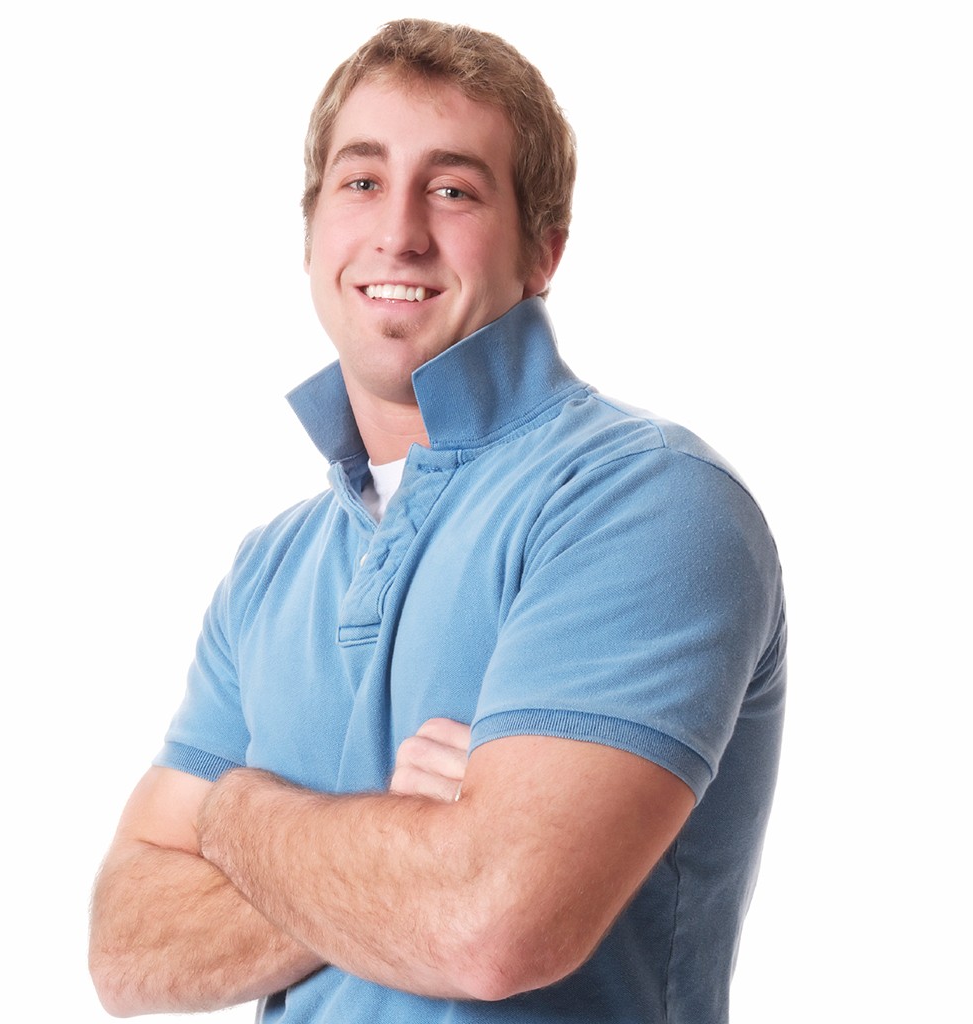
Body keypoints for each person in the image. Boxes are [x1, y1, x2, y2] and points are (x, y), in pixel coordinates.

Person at [89, 18, 786, 1024]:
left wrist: (235, 815)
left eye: (453, 189)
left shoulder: (647, 500)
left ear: (543, 250)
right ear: (313, 234)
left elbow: (491, 924)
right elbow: (126, 951)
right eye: (361, 181)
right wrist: (402, 845)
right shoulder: (270, 568)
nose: (399, 231)